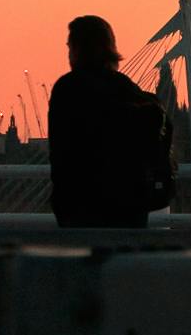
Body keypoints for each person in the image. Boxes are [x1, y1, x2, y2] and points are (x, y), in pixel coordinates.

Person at [48, 13, 174, 230]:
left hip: (81, 207)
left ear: (78, 49)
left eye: (70, 46)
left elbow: (60, 154)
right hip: (131, 205)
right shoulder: (131, 92)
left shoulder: (68, 88)